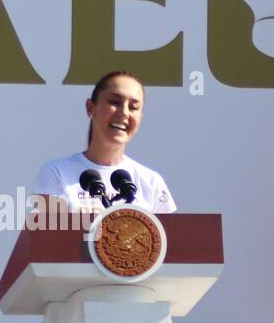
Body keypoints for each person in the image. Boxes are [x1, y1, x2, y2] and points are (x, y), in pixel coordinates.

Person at [31, 70, 176, 218]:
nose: (124, 113)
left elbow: (171, 238)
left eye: (133, 107)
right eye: (114, 102)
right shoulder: (57, 173)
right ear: (90, 108)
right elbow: (46, 237)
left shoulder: (151, 182)